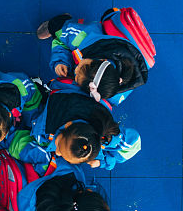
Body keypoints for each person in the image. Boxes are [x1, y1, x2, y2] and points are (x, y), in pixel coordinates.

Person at [10, 78, 140, 191]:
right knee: (23, 91)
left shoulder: (102, 140)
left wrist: (103, 161)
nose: (58, 153)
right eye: (60, 147)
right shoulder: (55, 114)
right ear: (67, 126)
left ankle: (13, 135)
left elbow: (133, 147)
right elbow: (59, 85)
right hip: (45, 110)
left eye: (63, 154)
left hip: (52, 128)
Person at [37, 10, 151, 105]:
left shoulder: (110, 93)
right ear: (101, 60)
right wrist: (60, 61)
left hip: (123, 51)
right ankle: (63, 20)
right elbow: (60, 42)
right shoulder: (82, 37)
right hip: (92, 39)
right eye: (80, 67)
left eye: (77, 78)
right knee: (58, 28)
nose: (75, 70)